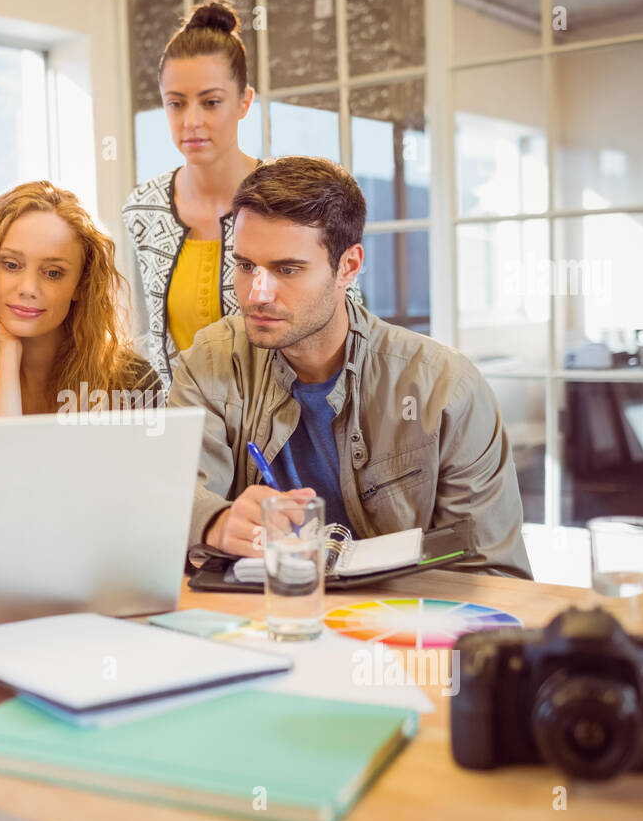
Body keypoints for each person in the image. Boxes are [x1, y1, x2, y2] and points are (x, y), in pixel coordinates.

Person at [171, 156, 533, 578]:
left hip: (404, 625)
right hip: (267, 621)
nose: (257, 293)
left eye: (287, 269)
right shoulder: (209, 361)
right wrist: (216, 521)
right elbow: (172, 494)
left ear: (349, 266)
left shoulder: (446, 388)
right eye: (245, 265)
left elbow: (495, 577)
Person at [121, 0, 260, 393]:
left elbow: (341, 323)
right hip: (180, 436)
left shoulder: (290, 200)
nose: (192, 121)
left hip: (283, 439)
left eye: (211, 102)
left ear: (244, 102)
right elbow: (140, 338)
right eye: (176, 104)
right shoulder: (142, 209)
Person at [0, 181, 161, 417]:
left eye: (53, 273)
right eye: (11, 265)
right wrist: (8, 352)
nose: (29, 288)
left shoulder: (132, 382)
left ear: (81, 285)